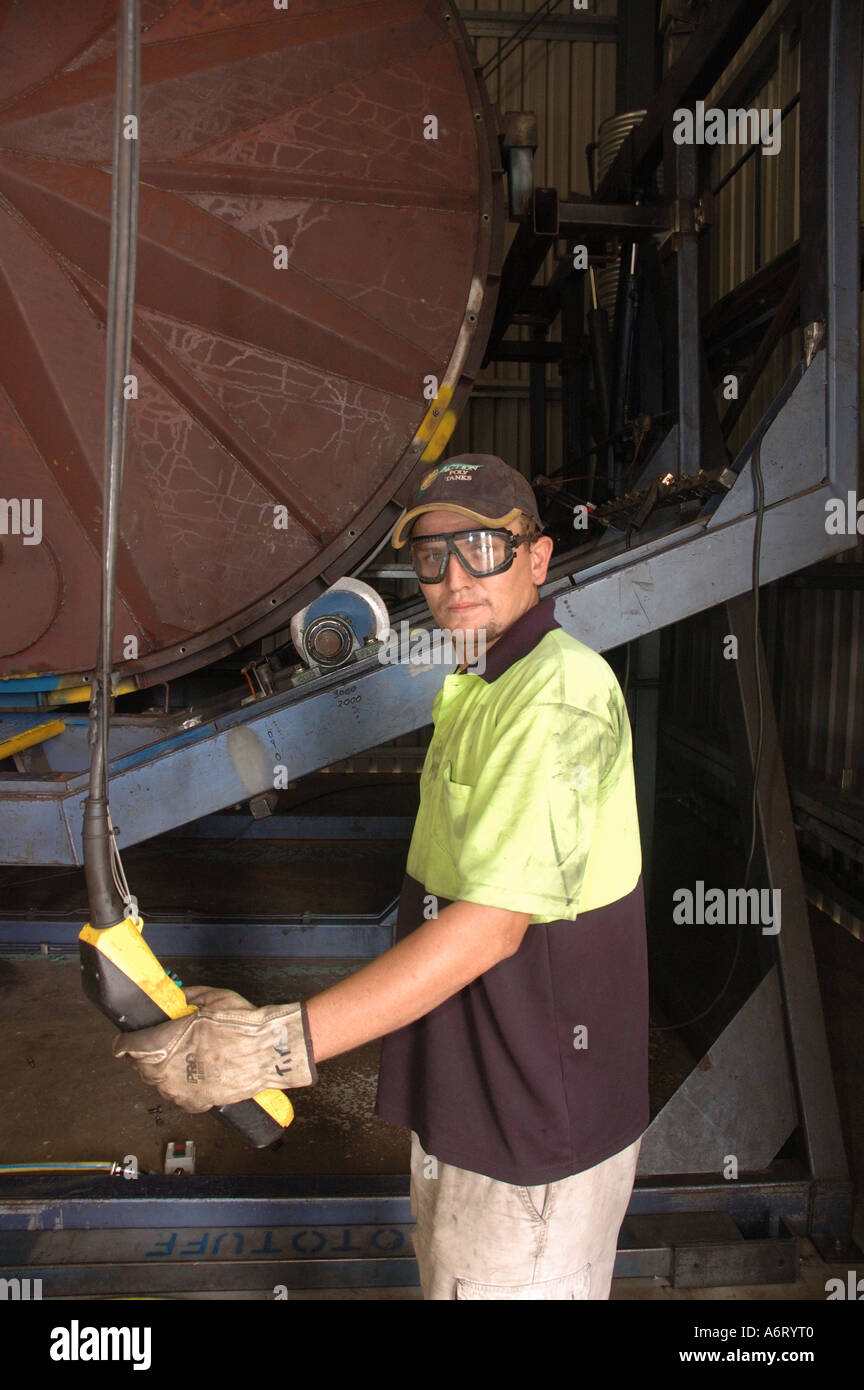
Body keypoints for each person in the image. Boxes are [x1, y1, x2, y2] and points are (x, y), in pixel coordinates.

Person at [114, 454, 649, 1301]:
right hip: (471, 1103)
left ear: (538, 558)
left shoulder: (555, 693)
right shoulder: (481, 683)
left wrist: (280, 1043)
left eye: (483, 548)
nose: (454, 576)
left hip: (534, 1129)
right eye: (432, 557)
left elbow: (490, 927)